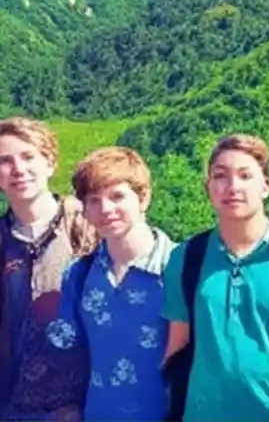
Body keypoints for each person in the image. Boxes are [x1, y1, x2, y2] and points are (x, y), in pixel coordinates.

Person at [161, 134, 269, 422]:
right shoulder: (187, 258)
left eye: (245, 176)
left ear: (265, 186)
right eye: (220, 176)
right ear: (208, 188)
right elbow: (176, 348)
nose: (233, 187)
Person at [46, 146, 176, 421]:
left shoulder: (181, 268)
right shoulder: (79, 275)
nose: (105, 209)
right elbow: (69, 352)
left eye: (117, 196)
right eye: (94, 200)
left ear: (143, 198)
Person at [0, 117, 97, 421]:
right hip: (10, 402)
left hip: (77, 404)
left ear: (50, 163)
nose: (18, 169)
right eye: (5, 160)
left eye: (28, 157)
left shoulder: (87, 223)